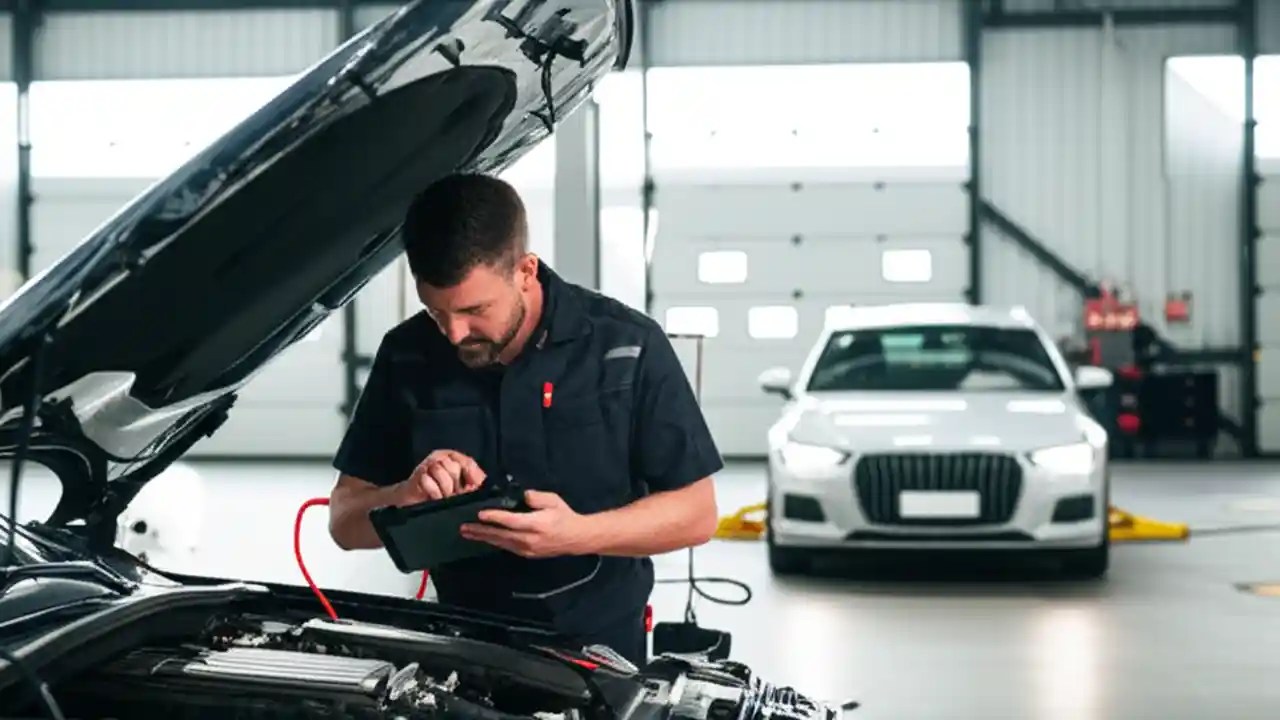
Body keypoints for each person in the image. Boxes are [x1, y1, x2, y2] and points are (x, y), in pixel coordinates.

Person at [327, 172, 722, 667]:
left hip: (599, 650)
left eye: (475, 310)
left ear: (526, 271)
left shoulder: (626, 347)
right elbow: (344, 523)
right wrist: (405, 494)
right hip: (459, 649)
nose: (453, 334)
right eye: (435, 312)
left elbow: (698, 512)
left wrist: (577, 533)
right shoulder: (407, 355)